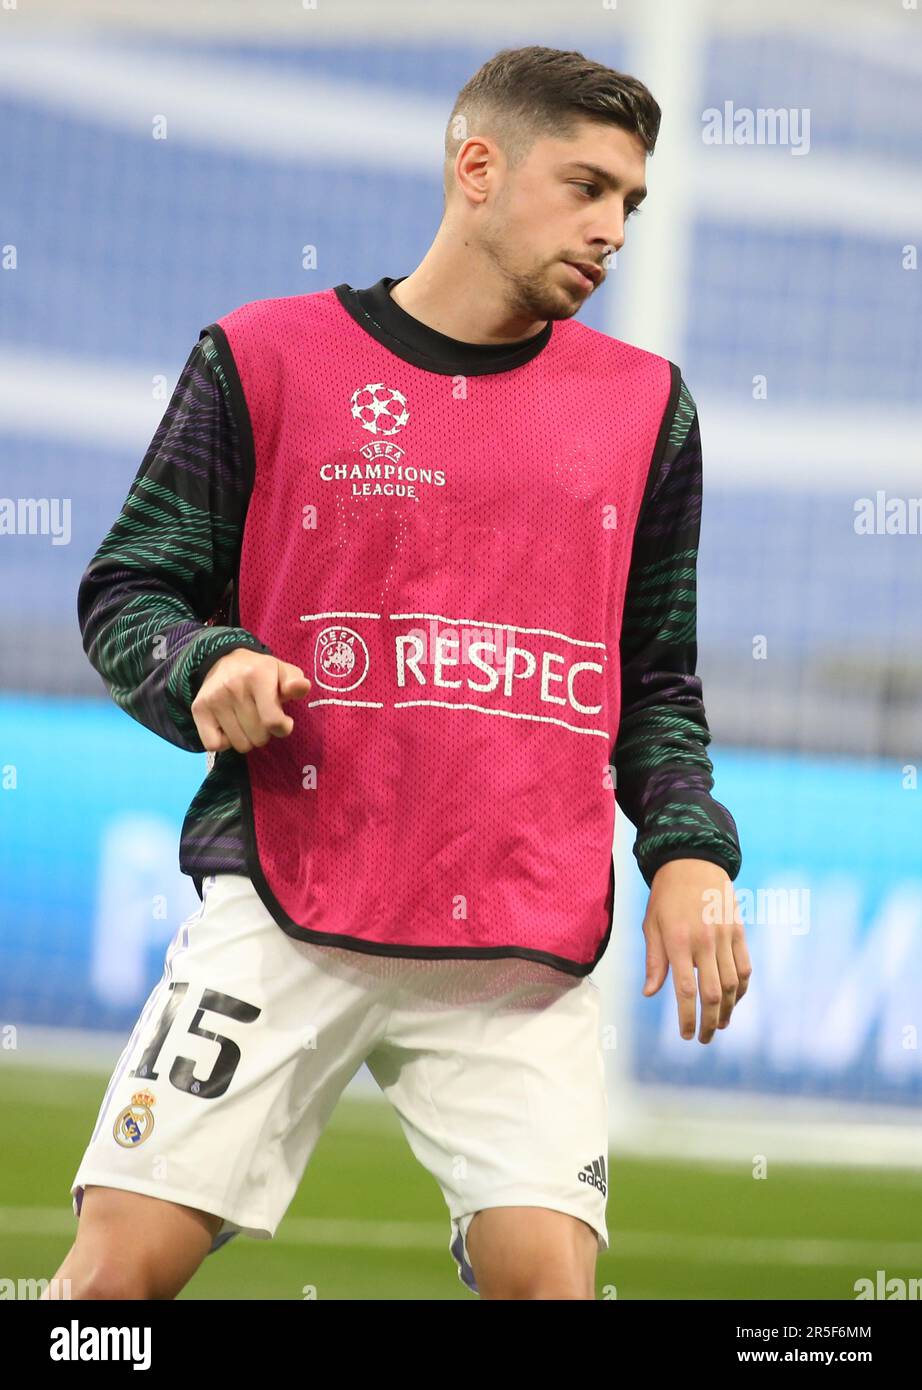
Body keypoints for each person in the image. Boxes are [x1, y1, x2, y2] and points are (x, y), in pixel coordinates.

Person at [50, 44, 750, 1302]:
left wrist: (689, 849)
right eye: (586, 187)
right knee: (108, 1292)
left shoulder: (650, 409)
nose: (613, 230)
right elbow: (127, 590)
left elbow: (655, 678)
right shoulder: (267, 356)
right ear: (477, 167)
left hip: (519, 938)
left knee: (551, 1289)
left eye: (630, 203)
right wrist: (203, 660)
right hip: (286, 903)